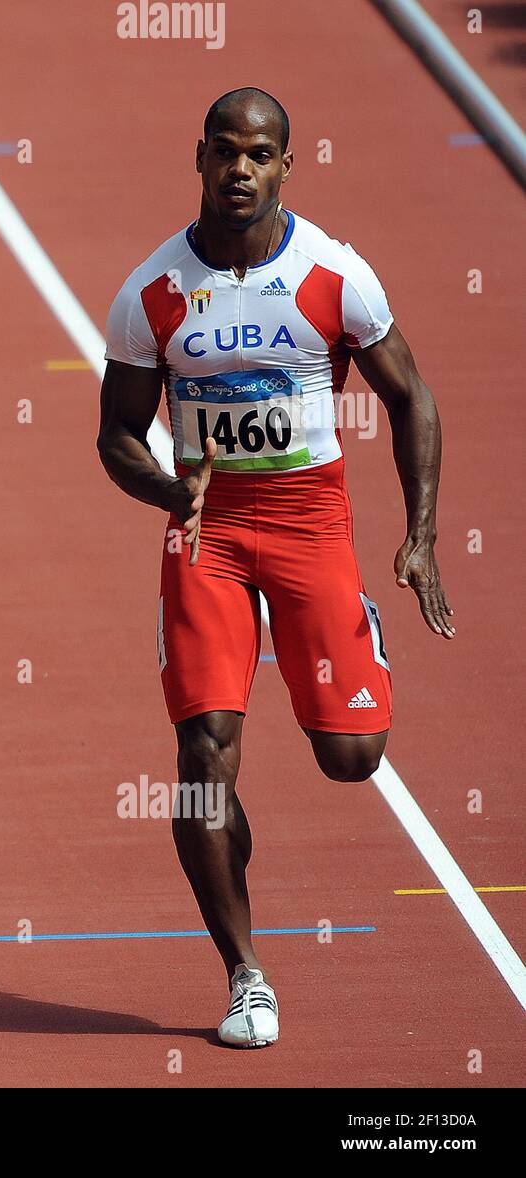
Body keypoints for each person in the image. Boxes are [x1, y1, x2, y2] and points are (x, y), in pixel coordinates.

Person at [97, 87, 453, 1047]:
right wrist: (173, 493)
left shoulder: (336, 277)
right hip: (206, 531)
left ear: (287, 165)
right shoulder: (154, 294)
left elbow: (414, 399)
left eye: (259, 155)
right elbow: (118, 437)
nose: (240, 170)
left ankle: (356, 636)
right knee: (203, 757)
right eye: (224, 152)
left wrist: (419, 535)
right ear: (200, 157)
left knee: (352, 760)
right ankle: (246, 973)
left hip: (308, 523)